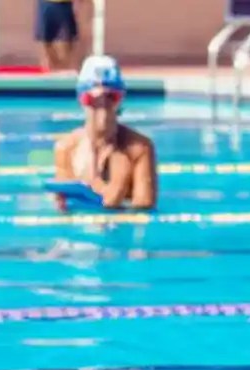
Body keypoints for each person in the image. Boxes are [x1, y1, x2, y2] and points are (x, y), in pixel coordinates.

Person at [51, 55, 158, 212]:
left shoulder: (139, 148)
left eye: (110, 97)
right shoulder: (65, 148)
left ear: (120, 100)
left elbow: (144, 208)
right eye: (92, 99)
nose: (102, 105)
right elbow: (64, 211)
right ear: (81, 100)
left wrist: (114, 190)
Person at [36, 0, 83, 71]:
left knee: (66, 42)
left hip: (64, 5)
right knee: (45, 42)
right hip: (46, 4)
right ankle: (53, 71)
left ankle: (64, 70)